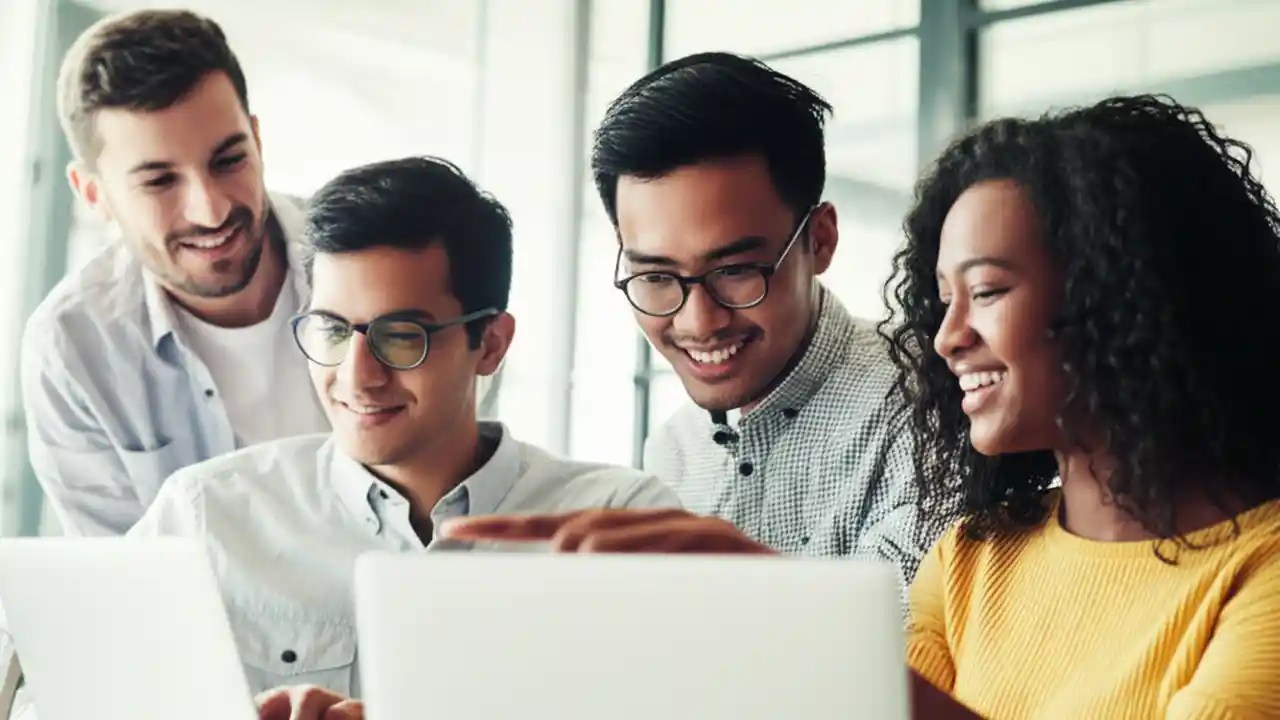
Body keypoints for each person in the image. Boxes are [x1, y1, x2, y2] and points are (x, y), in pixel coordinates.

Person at [448, 95, 1280, 718]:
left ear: (1129, 298)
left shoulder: (1260, 573)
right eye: (939, 297)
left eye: (986, 291)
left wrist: (775, 615)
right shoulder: (972, 559)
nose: (947, 337)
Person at [125, 156, 678, 712]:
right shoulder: (206, 516)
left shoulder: (620, 524)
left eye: (402, 337)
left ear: (489, 344)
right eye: (333, 331)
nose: (357, 376)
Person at [587, 52, 952, 570]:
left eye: (735, 271)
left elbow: (894, 640)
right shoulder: (674, 450)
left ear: (820, 240)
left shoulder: (931, 403)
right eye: (656, 278)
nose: (697, 323)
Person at [20, 9, 328, 536]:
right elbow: (119, 577)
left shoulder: (364, 265)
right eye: (160, 182)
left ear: (256, 139)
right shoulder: (72, 348)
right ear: (94, 194)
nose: (210, 211)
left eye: (229, 160)